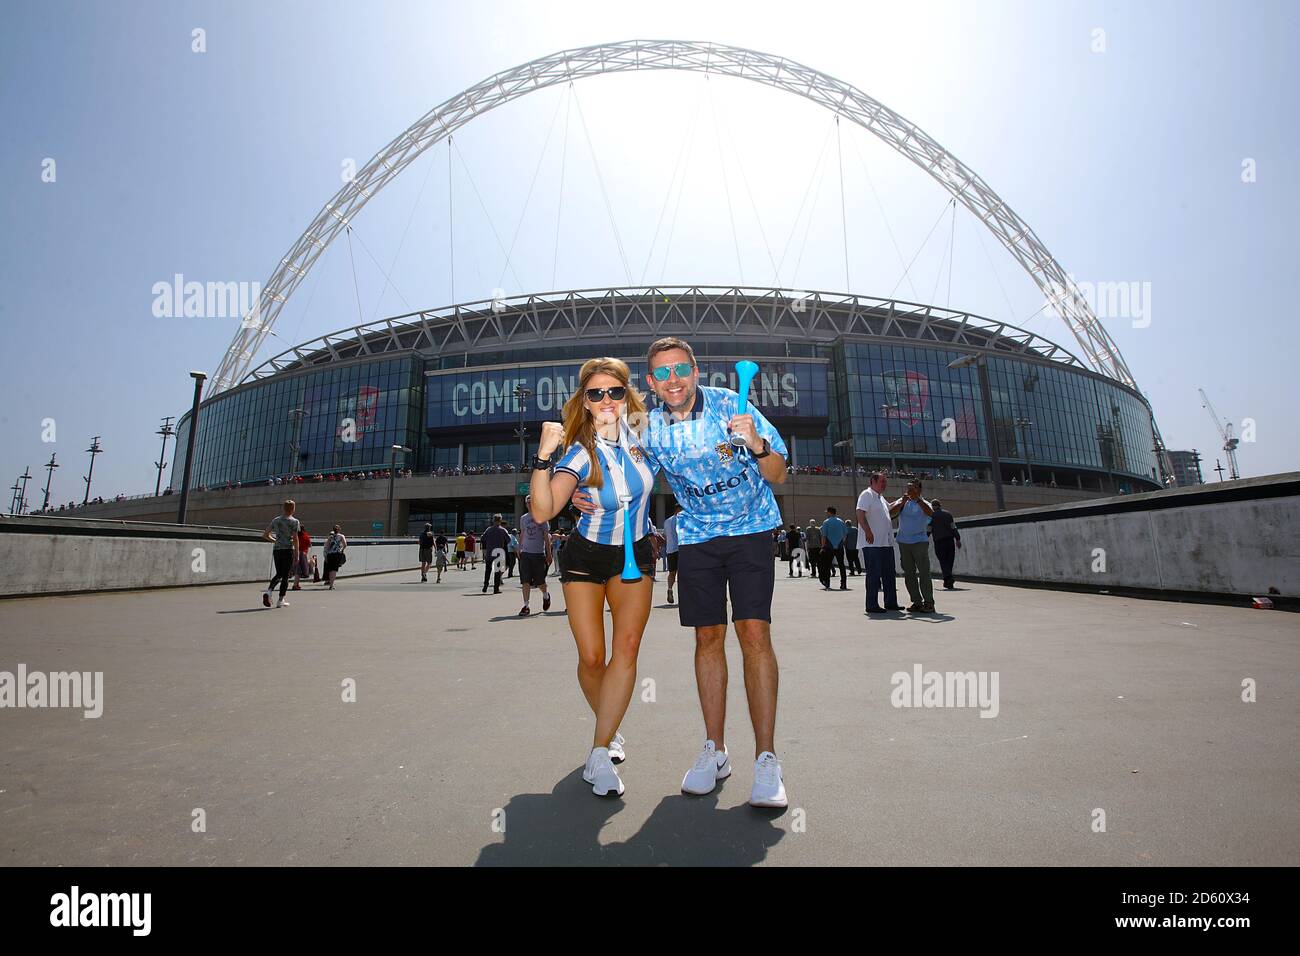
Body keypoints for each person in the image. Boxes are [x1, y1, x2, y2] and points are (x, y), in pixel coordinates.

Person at [575, 336, 790, 808]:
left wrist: (755, 444)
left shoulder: (732, 405)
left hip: (752, 529)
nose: (673, 380)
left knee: (754, 634)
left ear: (695, 371)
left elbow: (779, 474)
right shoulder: (647, 426)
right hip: (695, 537)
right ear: (651, 383)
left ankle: (767, 759)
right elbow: (623, 467)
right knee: (707, 639)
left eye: (680, 370)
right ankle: (715, 750)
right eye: (662, 373)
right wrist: (578, 488)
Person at [530, 357, 658, 797]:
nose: (607, 400)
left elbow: (694, 444)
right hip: (585, 557)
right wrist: (543, 455)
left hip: (636, 555)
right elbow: (543, 510)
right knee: (591, 658)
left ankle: (600, 751)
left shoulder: (646, 436)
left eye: (615, 392)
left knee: (627, 647)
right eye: (596, 393)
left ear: (627, 396)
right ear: (583, 403)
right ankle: (610, 725)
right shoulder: (578, 452)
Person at [856, 472, 903, 614]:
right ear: (873, 481)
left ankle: (891, 602)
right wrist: (868, 531)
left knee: (889, 574)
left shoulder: (881, 498)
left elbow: (890, 508)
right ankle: (871, 604)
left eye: (885, 481)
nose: (884, 484)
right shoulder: (867, 495)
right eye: (882, 481)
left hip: (885, 543)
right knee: (874, 575)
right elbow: (859, 513)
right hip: (872, 543)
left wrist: (902, 500)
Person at [895, 478, 936, 613]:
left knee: (924, 572)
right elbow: (890, 513)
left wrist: (917, 499)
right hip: (904, 542)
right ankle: (916, 601)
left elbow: (931, 514)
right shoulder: (903, 502)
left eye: (914, 488)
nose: (911, 490)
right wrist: (902, 501)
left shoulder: (925, 503)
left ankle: (929, 602)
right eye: (909, 487)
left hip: (920, 541)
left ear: (920, 489)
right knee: (909, 573)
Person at [517, 496, 553, 616]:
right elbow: (522, 533)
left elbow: (546, 537)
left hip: (538, 553)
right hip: (526, 553)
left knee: (540, 581)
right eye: (527, 503)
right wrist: (519, 547)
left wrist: (549, 554)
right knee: (525, 580)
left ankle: (545, 595)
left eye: (531, 502)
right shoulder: (523, 518)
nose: (529, 504)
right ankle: (526, 606)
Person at [262, 499, 300, 608]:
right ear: (293, 509)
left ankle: (269, 592)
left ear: (283, 508)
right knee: (285, 576)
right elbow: (295, 539)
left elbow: (265, 535)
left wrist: (276, 541)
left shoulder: (276, 520)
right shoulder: (294, 521)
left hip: (277, 549)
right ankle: (280, 600)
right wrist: (297, 554)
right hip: (288, 550)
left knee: (279, 573)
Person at [928, 498, 962, 590]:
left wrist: (925, 538)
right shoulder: (948, 514)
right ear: (940, 505)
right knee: (949, 561)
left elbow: (929, 529)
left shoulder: (931, 516)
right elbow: (953, 527)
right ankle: (948, 581)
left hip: (939, 542)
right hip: (949, 540)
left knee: (943, 561)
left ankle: (949, 578)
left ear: (932, 507)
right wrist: (957, 539)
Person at [819, 506, 849, 591]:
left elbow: (824, 536)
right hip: (839, 546)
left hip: (829, 546)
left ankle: (827, 583)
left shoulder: (826, 522)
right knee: (841, 565)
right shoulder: (841, 522)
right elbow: (845, 534)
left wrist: (823, 546)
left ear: (829, 512)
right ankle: (843, 584)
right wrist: (842, 542)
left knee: (827, 565)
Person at [480, 514, 511, 594]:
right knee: (497, 571)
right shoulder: (503, 530)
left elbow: (482, 538)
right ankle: (496, 588)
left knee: (488, 570)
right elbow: (509, 540)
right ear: (500, 521)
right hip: (499, 552)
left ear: (493, 520)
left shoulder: (488, 529)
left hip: (490, 551)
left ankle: (485, 585)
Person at [663, 503, 680, 604]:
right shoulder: (680, 520)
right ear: (678, 509)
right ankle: (682, 595)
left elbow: (665, 536)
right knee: (682, 574)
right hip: (680, 549)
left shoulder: (666, 521)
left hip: (670, 550)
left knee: (672, 573)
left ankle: (670, 589)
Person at [322, 524, 347, 589]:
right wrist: (341, 549)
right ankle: (331, 585)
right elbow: (345, 544)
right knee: (334, 570)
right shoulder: (341, 536)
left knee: (330, 569)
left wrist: (326, 554)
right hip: (337, 554)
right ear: (339, 530)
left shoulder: (330, 537)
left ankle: (330, 583)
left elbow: (327, 546)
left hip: (330, 554)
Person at [291, 525, 311, 591]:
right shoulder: (306, 536)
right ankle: (295, 585)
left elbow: (292, 543)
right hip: (303, 554)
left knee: (298, 570)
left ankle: (296, 584)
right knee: (299, 571)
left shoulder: (296, 536)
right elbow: (309, 545)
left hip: (296, 553)